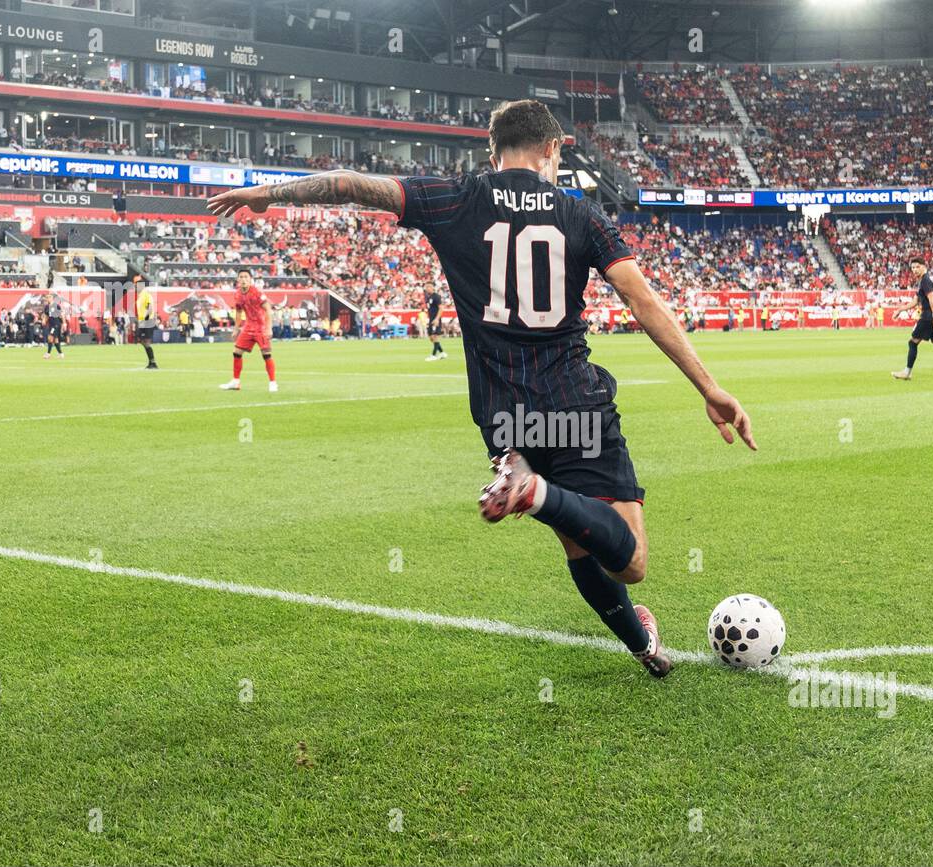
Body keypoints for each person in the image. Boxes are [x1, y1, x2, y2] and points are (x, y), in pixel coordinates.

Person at [205, 98, 755, 678]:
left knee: (577, 536)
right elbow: (641, 301)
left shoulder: (457, 199)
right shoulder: (580, 213)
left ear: (493, 152)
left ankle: (642, 645)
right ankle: (536, 493)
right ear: (553, 148)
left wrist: (272, 193)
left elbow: (354, 185)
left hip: (504, 418)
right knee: (631, 560)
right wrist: (708, 386)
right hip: (574, 402)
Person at [219, 268, 277, 393]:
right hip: (248, 327)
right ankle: (235, 381)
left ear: (251, 279)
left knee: (266, 355)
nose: (243, 279)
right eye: (241, 277)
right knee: (236, 352)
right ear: (238, 280)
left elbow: (268, 309)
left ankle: (272, 382)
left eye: (246, 277)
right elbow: (239, 312)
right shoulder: (238, 294)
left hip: (261, 327)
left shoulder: (257, 293)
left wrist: (269, 327)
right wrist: (236, 329)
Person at [135, 283, 158, 368]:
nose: (135, 288)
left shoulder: (146, 295)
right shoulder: (140, 296)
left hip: (147, 321)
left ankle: (153, 363)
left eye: (136, 286)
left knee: (147, 342)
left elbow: (150, 308)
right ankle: (151, 362)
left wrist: (146, 319)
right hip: (142, 321)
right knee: (142, 341)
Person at [423, 281, 447, 361]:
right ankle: (442, 353)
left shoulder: (436, 296)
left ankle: (433, 355)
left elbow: (441, 308)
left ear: (433, 287)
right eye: (426, 287)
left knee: (435, 336)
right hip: (431, 319)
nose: (427, 288)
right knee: (431, 337)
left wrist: (437, 319)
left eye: (429, 286)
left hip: (435, 319)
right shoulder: (428, 297)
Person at [43, 293, 65, 359]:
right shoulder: (47, 307)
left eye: (49, 298)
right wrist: (44, 320)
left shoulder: (56, 306)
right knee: (55, 340)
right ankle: (61, 354)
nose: (47, 299)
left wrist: (64, 323)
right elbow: (47, 315)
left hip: (56, 324)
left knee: (50, 337)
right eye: (47, 298)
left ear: (52, 298)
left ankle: (48, 354)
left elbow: (61, 315)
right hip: (51, 324)